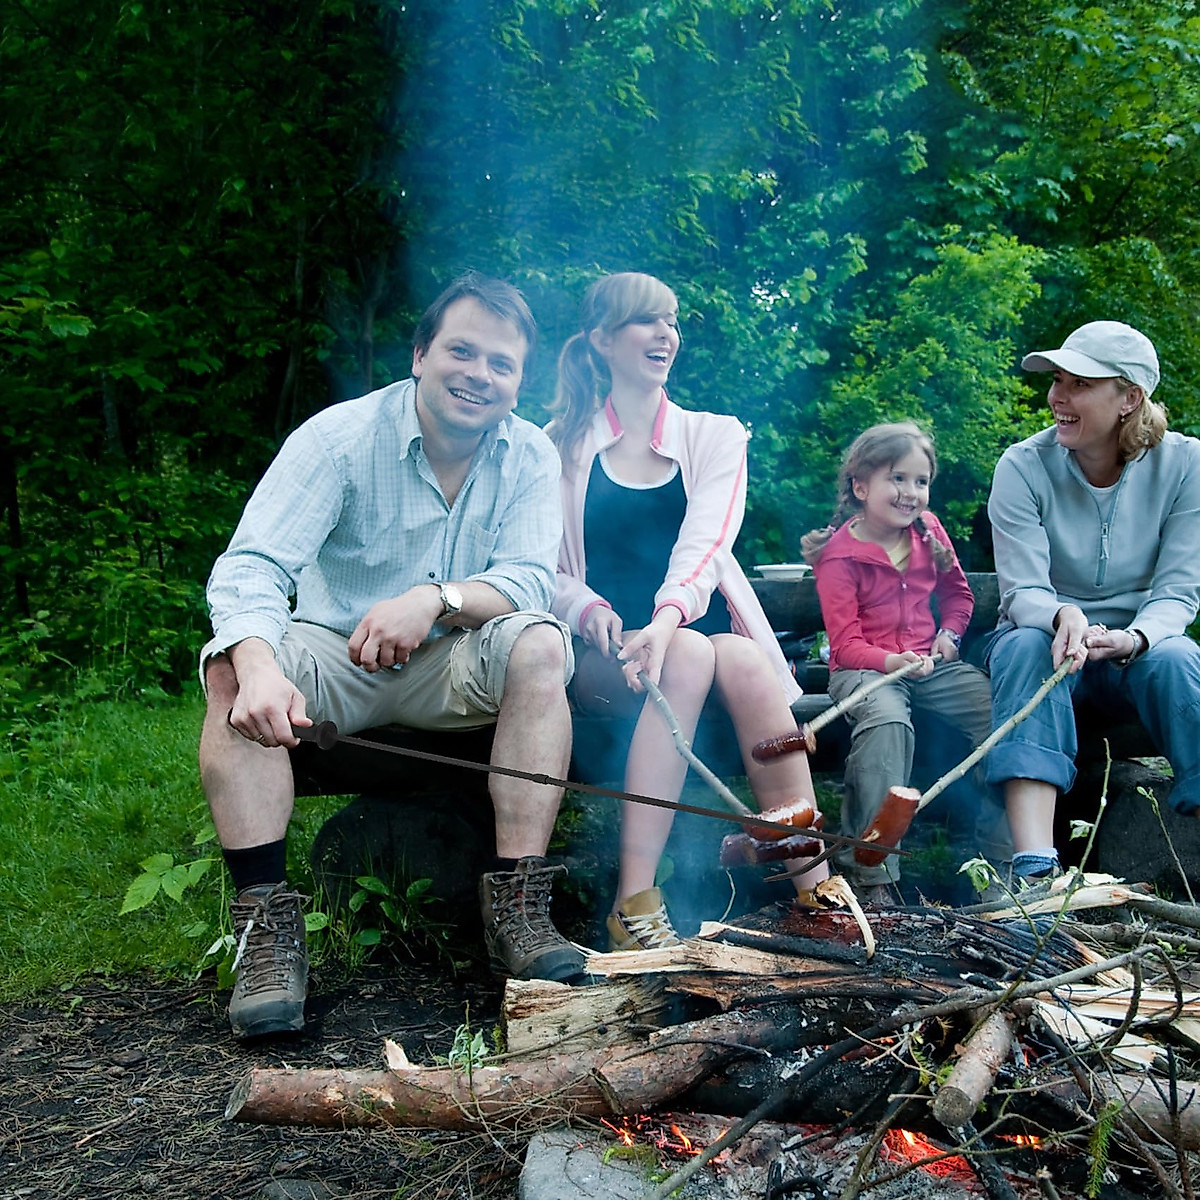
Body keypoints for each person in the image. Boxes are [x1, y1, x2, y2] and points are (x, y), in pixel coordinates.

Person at [199, 272, 584, 1041]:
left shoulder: (531, 454)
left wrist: (435, 598)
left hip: (453, 662)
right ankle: (265, 936)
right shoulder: (338, 438)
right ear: (420, 355)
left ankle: (519, 911)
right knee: (231, 667)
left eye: (501, 363)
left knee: (541, 642)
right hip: (333, 657)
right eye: (461, 351)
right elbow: (252, 568)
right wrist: (262, 665)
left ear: (518, 383)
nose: (478, 374)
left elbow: (528, 581)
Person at [548, 272, 828, 952]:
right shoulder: (556, 444)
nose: (665, 334)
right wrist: (588, 609)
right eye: (646, 320)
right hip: (603, 654)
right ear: (601, 340)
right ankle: (634, 903)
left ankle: (817, 890)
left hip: (686, 630)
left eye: (671, 321)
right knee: (692, 653)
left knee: (741, 662)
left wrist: (666, 621)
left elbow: (707, 546)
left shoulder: (715, 436)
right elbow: (539, 566)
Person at [984, 320, 1200, 884]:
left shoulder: (1186, 465)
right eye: (1057, 380)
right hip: (1049, 642)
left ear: (1130, 398)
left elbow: (1178, 591)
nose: (1057, 396)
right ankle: (1034, 869)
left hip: (1138, 652)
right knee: (1026, 646)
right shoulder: (1022, 466)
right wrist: (1063, 614)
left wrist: (1134, 638)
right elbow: (1022, 591)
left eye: (1079, 383)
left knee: (1179, 658)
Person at [801, 423, 1009, 904]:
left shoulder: (928, 531)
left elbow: (958, 597)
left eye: (920, 481)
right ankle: (871, 872)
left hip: (928, 663)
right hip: (864, 668)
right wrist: (891, 659)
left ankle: (1001, 856)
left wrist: (949, 634)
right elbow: (845, 645)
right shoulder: (839, 556)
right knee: (888, 723)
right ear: (861, 486)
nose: (910, 492)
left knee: (999, 711)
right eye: (897, 478)